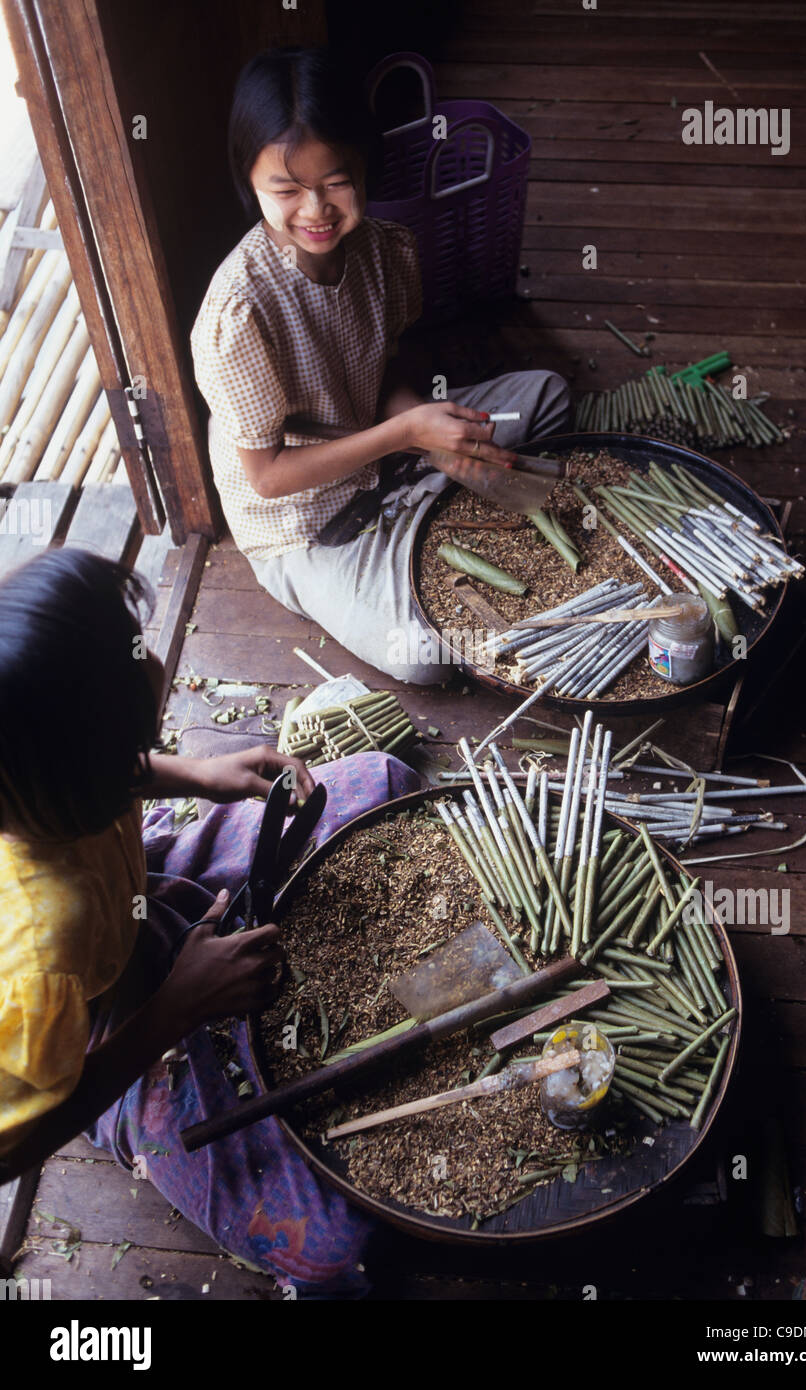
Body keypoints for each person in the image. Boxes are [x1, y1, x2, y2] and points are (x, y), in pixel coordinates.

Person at [0, 547, 421, 1296]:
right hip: (111, 1030)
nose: (152, 662)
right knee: (339, 1251)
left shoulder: (42, 774)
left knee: (382, 783)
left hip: (143, 891)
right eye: (130, 738)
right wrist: (177, 1008)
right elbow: (14, 1143)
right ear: (81, 774)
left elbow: (109, 768)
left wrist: (193, 774)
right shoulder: (42, 949)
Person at [191, 45, 570, 685]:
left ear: (367, 166)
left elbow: (384, 367)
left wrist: (425, 428)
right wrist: (410, 435)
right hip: (306, 523)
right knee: (423, 654)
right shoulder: (240, 313)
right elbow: (269, 477)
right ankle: (416, 514)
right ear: (248, 184)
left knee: (550, 395)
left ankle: (426, 496)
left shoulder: (384, 250)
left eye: (336, 182)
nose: (316, 210)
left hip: (387, 453)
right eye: (286, 189)